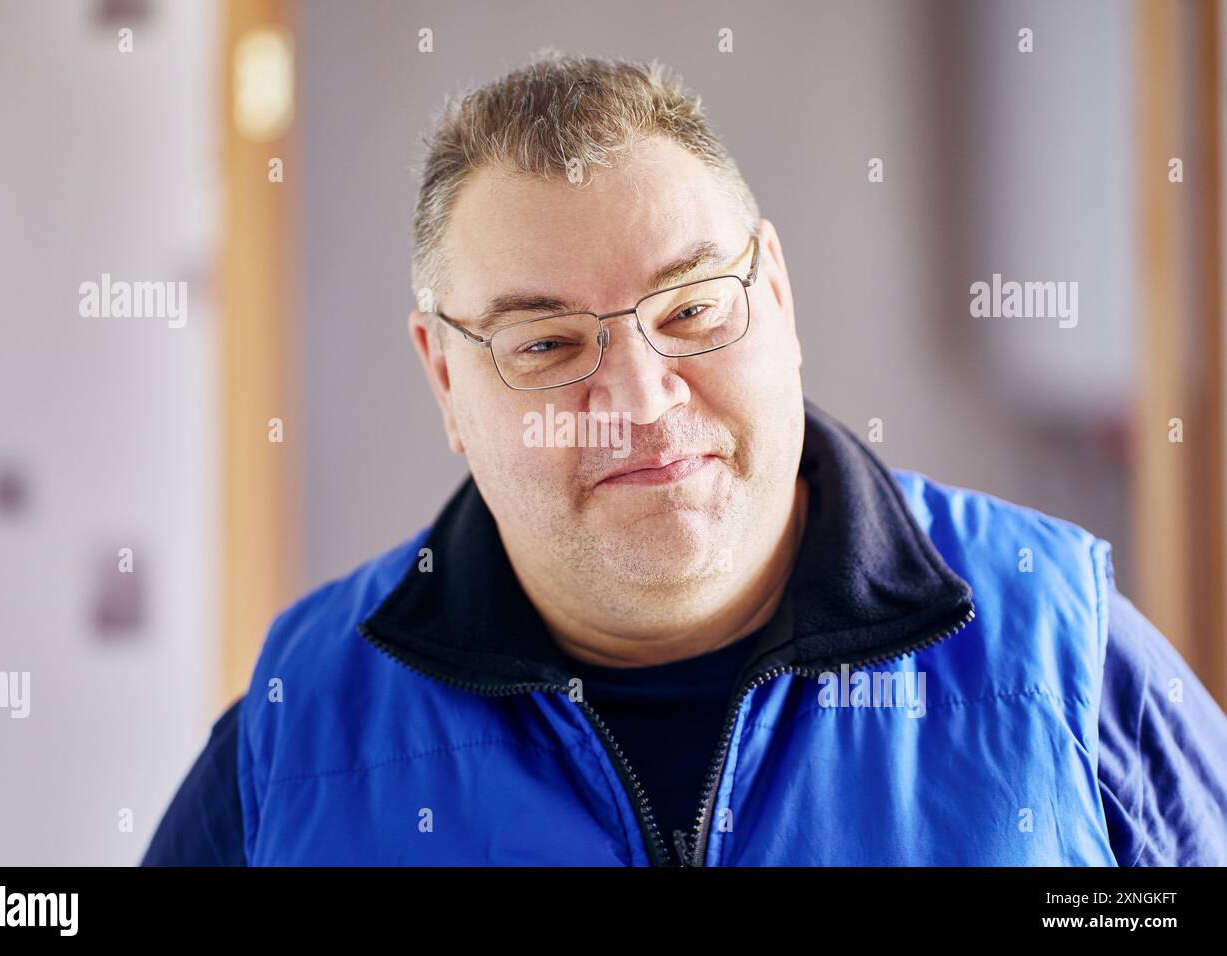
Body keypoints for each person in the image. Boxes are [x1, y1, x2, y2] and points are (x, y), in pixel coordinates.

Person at [144, 51, 1227, 866]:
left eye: (695, 308)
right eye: (548, 345)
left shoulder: (1065, 657)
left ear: (777, 296)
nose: (641, 398)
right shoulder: (301, 731)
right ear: (445, 380)